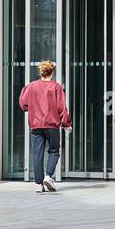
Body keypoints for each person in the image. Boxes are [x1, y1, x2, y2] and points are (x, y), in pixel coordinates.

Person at [18, 60, 72, 193]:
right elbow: (61, 107)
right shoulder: (56, 87)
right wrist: (66, 124)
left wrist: (33, 106)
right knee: (54, 151)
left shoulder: (31, 86)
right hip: (52, 124)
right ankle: (48, 176)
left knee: (37, 154)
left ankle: (38, 184)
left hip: (36, 125)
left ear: (40, 72)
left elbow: (23, 104)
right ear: (52, 72)